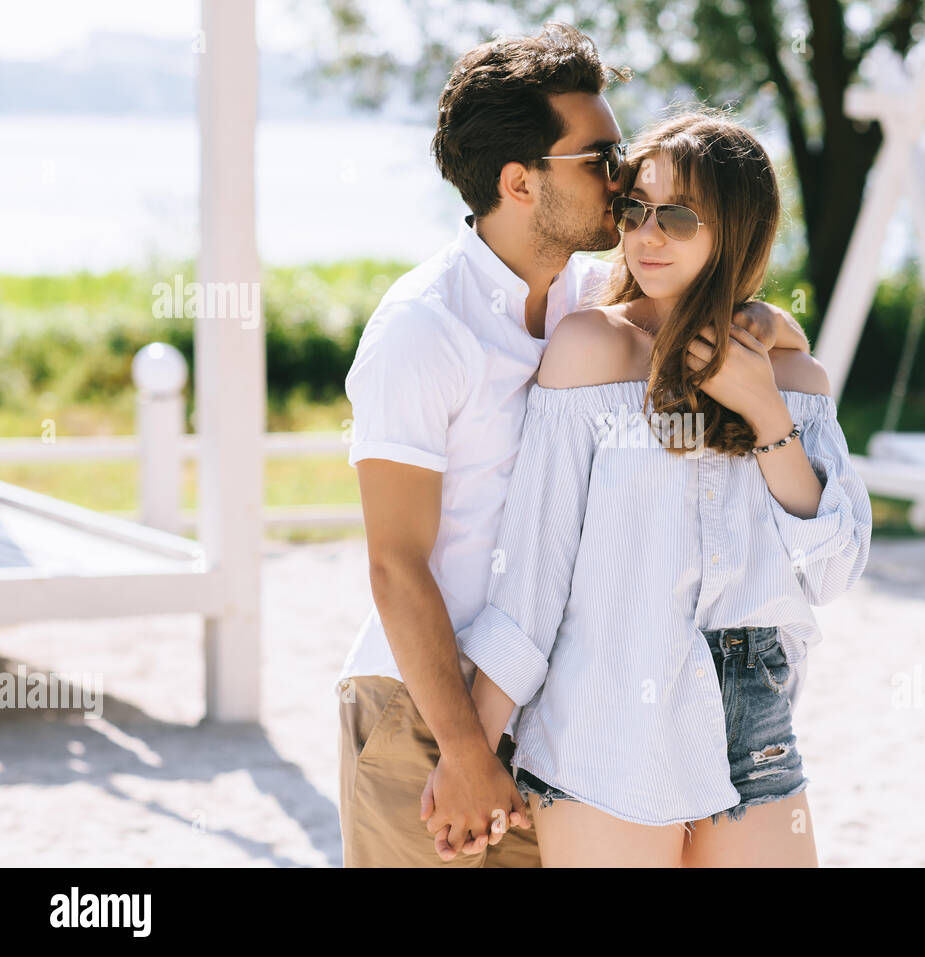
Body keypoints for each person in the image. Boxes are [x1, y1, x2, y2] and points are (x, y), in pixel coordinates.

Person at [336, 24, 810, 868]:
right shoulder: (422, 328)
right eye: (600, 155)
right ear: (520, 182)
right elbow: (395, 563)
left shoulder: (594, 296)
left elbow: (722, 313)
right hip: (425, 703)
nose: (623, 175)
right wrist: (466, 749)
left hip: (554, 717)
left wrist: (766, 328)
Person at [445, 110, 873, 867]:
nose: (646, 235)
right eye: (634, 210)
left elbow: (830, 572)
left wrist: (765, 408)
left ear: (737, 229)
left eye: (676, 217)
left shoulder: (795, 383)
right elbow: (533, 580)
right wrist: (469, 755)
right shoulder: (591, 350)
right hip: (606, 724)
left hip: (754, 721)